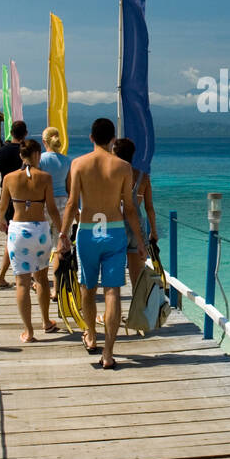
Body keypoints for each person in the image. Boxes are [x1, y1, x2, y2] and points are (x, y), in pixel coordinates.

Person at [59, 117, 143, 369]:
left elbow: (72, 203)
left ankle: (91, 335)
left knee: (87, 286)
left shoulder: (78, 164)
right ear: (113, 139)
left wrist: (63, 234)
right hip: (115, 230)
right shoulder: (123, 167)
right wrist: (140, 240)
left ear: (91, 138)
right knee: (112, 291)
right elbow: (129, 208)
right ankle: (108, 353)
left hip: (87, 230)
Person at [0, 139, 62, 342]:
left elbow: (2, 205)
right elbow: (52, 209)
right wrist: (62, 232)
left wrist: (0, 220)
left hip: (18, 231)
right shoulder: (45, 178)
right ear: (37, 155)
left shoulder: (9, 178)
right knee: (41, 279)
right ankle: (45, 321)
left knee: (22, 282)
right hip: (40, 231)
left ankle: (29, 331)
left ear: (20, 155)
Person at [110, 137, 159, 287]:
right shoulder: (143, 177)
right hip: (137, 226)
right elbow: (149, 207)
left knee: (113, 274)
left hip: (117, 225)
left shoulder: (112, 174)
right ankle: (137, 309)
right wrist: (154, 232)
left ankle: (112, 310)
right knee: (137, 277)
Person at [0, 120, 28, 288]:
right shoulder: (27, 152)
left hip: (7, 197)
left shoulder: (1, 152)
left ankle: (10, 275)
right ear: (25, 133)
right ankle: (15, 275)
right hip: (25, 199)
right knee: (19, 238)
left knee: (13, 238)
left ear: (11, 132)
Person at [39, 126, 73, 254]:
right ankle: (57, 272)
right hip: (63, 202)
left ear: (44, 141)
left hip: (46, 202)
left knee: (43, 243)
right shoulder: (67, 160)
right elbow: (69, 187)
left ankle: (42, 271)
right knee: (61, 243)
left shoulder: (41, 160)